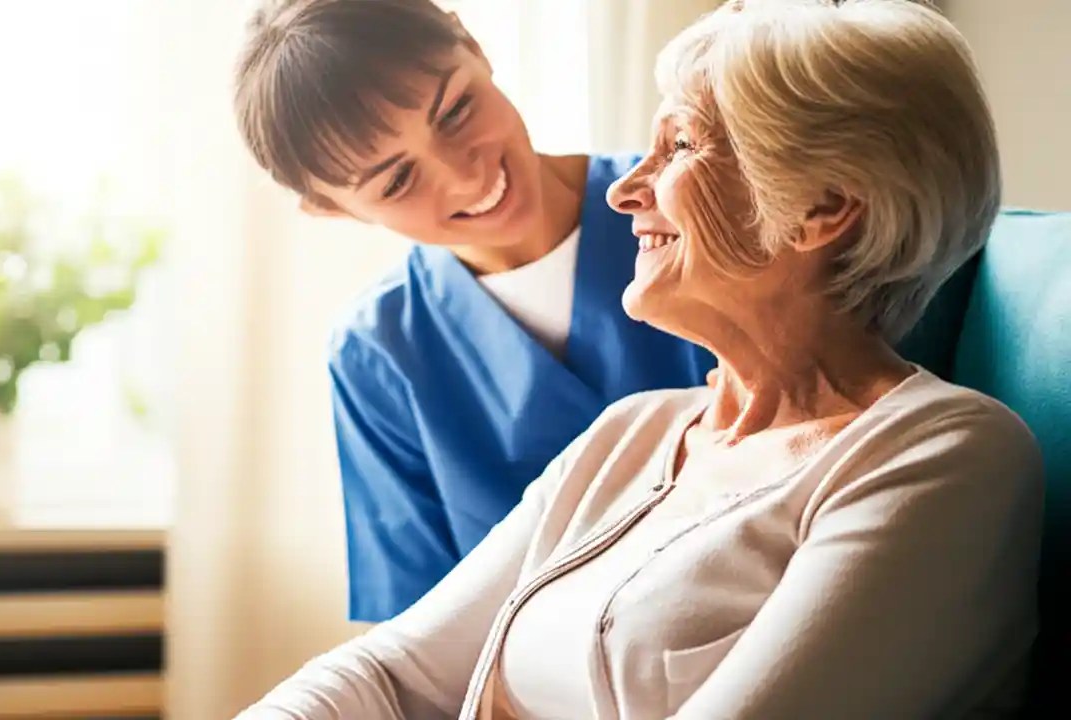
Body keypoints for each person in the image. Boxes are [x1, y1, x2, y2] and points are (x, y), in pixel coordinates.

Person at [236, 0, 1045, 717]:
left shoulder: (932, 453)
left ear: (821, 210)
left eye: (682, 143)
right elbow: (402, 671)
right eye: (395, 177)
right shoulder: (629, 430)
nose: (630, 193)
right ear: (328, 209)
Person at [234, 0, 715, 622]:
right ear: (335, 209)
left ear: (474, 45)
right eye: (397, 182)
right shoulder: (378, 357)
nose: (465, 176)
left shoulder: (700, 205)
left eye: (456, 111)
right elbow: (418, 636)